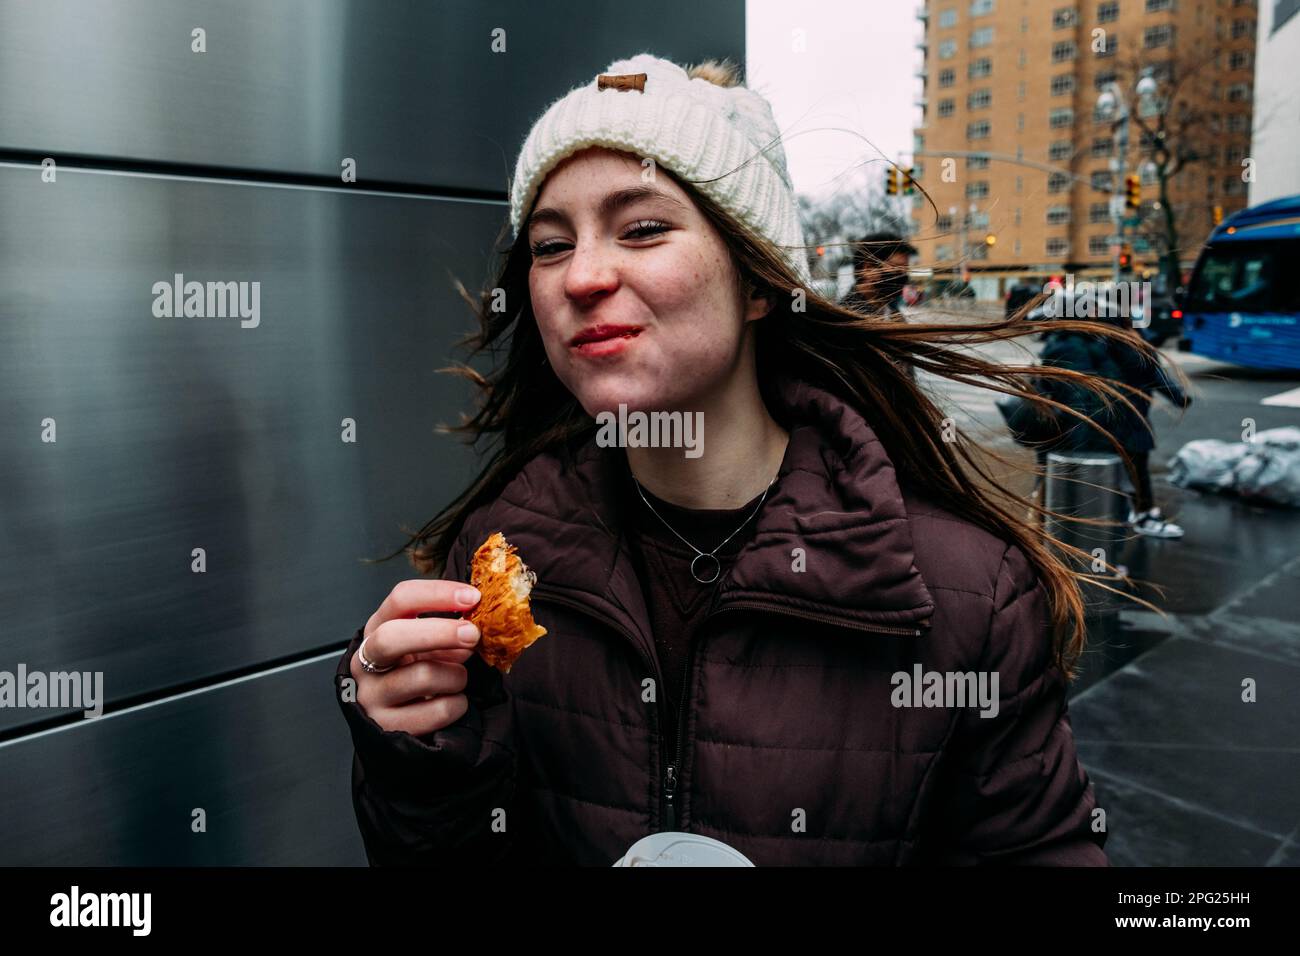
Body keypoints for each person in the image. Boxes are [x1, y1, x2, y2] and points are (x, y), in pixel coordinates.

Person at [333, 52, 1109, 865]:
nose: (584, 276)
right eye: (551, 245)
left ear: (758, 284)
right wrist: (414, 758)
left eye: (642, 228)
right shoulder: (497, 559)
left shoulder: (963, 595)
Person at [1038, 300, 1193, 538]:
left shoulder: (1102, 344)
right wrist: (1177, 396)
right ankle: (1135, 518)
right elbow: (1151, 375)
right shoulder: (1108, 345)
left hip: (1117, 420)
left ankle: (1131, 517)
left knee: (1123, 472)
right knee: (1127, 471)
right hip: (1121, 420)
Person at [841, 230, 917, 319]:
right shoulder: (846, 316)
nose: (903, 276)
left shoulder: (891, 310)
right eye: (896, 268)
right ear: (868, 268)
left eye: (905, 270)